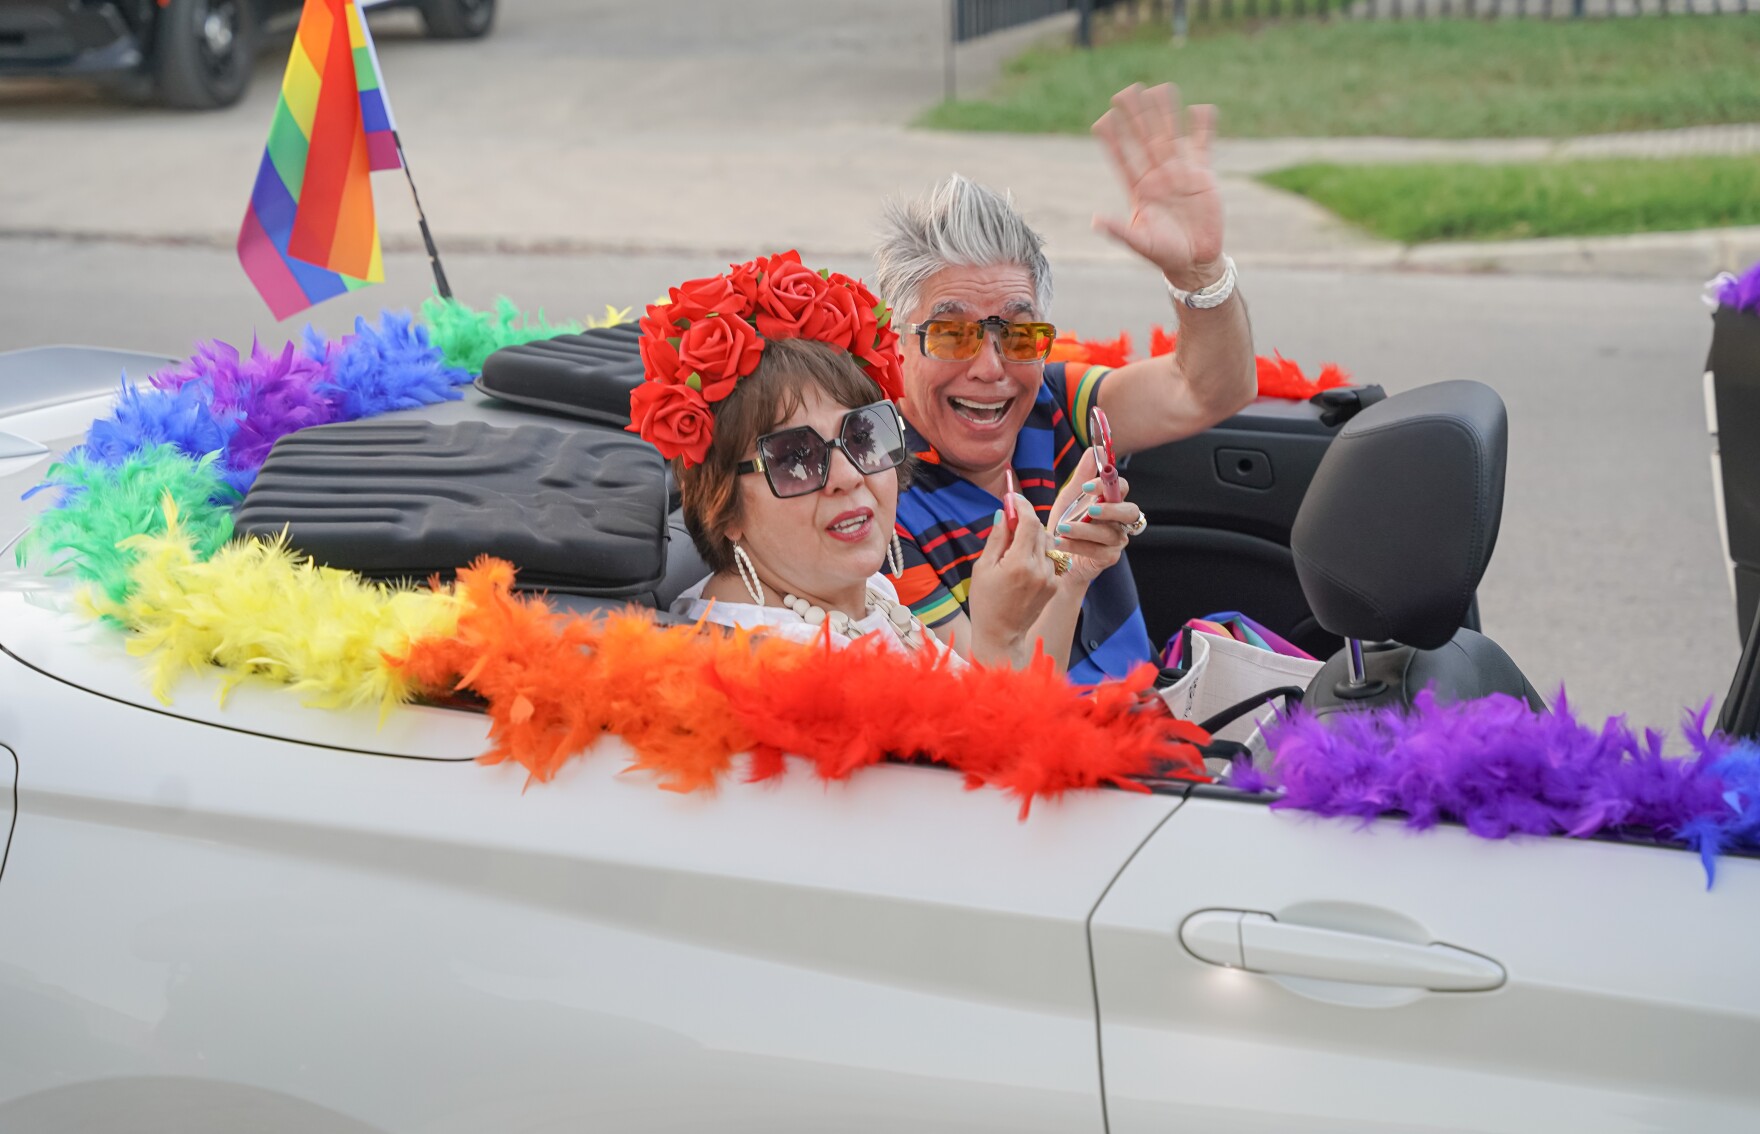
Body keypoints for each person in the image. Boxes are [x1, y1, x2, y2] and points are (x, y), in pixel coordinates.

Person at [876, 84, 1257, 684]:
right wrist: (1067, 565)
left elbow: (1208, 390)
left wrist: (1201, 274)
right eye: (952, 334)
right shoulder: (874, 496)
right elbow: (996, 708)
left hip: (1152, 715)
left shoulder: (1051, 401)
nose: (990, 368)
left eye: (1018, 334)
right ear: (893, 340)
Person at [630, 252, 1127, 669]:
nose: (848, 476)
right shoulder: (764, 662)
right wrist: (995, 636)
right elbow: (995, 777)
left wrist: (1069, 572)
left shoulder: (864, 592)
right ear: (726, 509)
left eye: (862, 436)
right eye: (795, 460)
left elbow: (1029, 705)